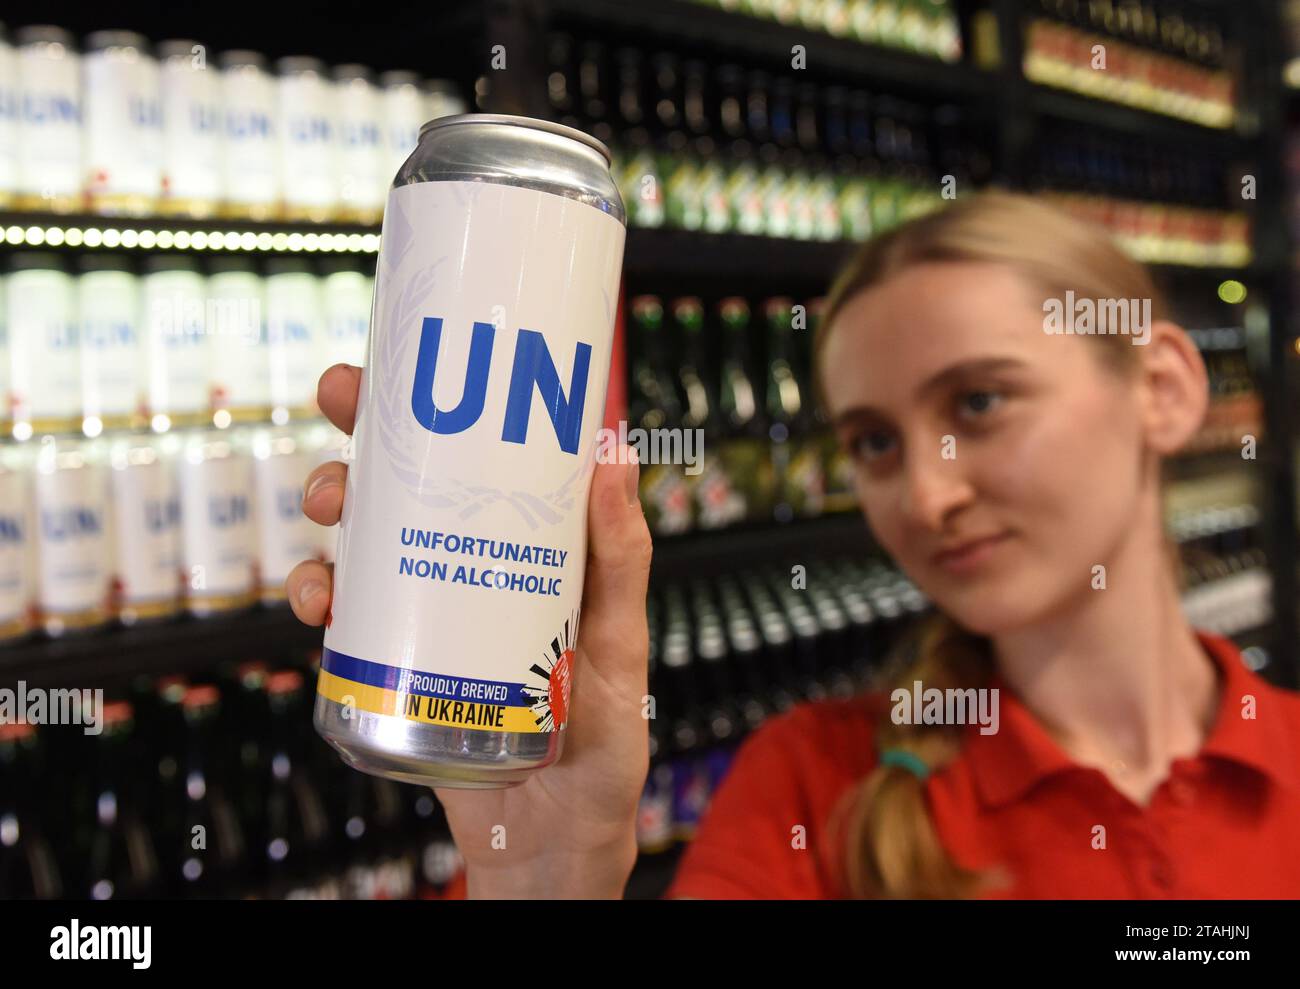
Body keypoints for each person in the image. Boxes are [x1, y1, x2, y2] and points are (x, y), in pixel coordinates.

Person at [287, 191, 1300, 899]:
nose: (928, 491)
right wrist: (541, 867)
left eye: (980, 401)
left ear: (1162, 387)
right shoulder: (813, 785)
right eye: (871, 441)